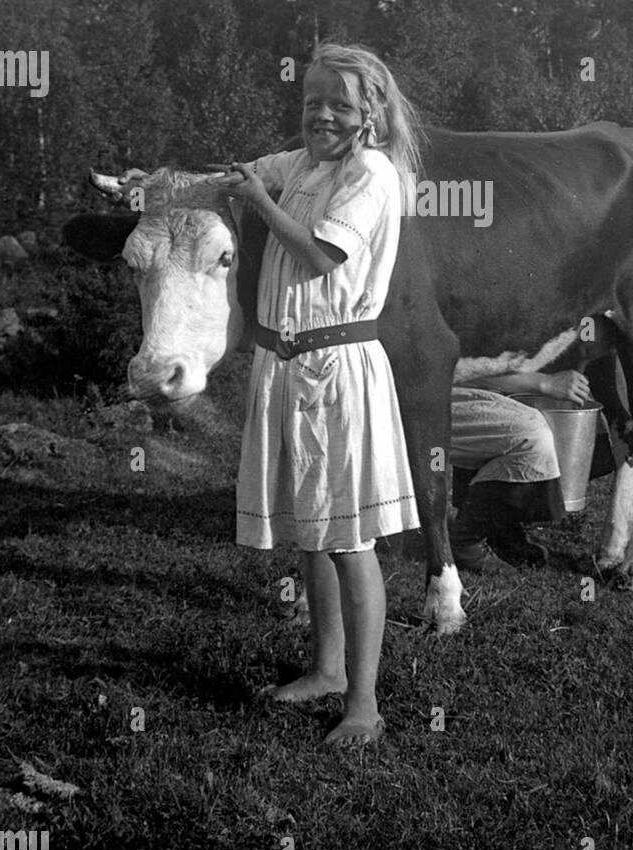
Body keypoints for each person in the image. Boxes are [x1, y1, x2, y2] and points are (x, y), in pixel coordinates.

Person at [221, 42, 422, 748]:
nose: (323, 116)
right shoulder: (303, 164)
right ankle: (326, 669)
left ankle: (364, 703)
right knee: (312, 530)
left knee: (348, 538)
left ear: (370, 111)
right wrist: (163, 183)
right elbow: (240, 176)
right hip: (287, 364)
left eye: (340, 103)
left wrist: (257, 204)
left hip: (336, 372)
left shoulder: (372, 174)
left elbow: (319, 253)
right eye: (312, 102)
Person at [449, 368, 593, 572]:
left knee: (512, 421)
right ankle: (464, 541)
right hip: (428, 392)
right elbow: (467, 363)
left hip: (473, 386)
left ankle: (498, 529)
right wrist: (546, 383)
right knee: (533, 438)